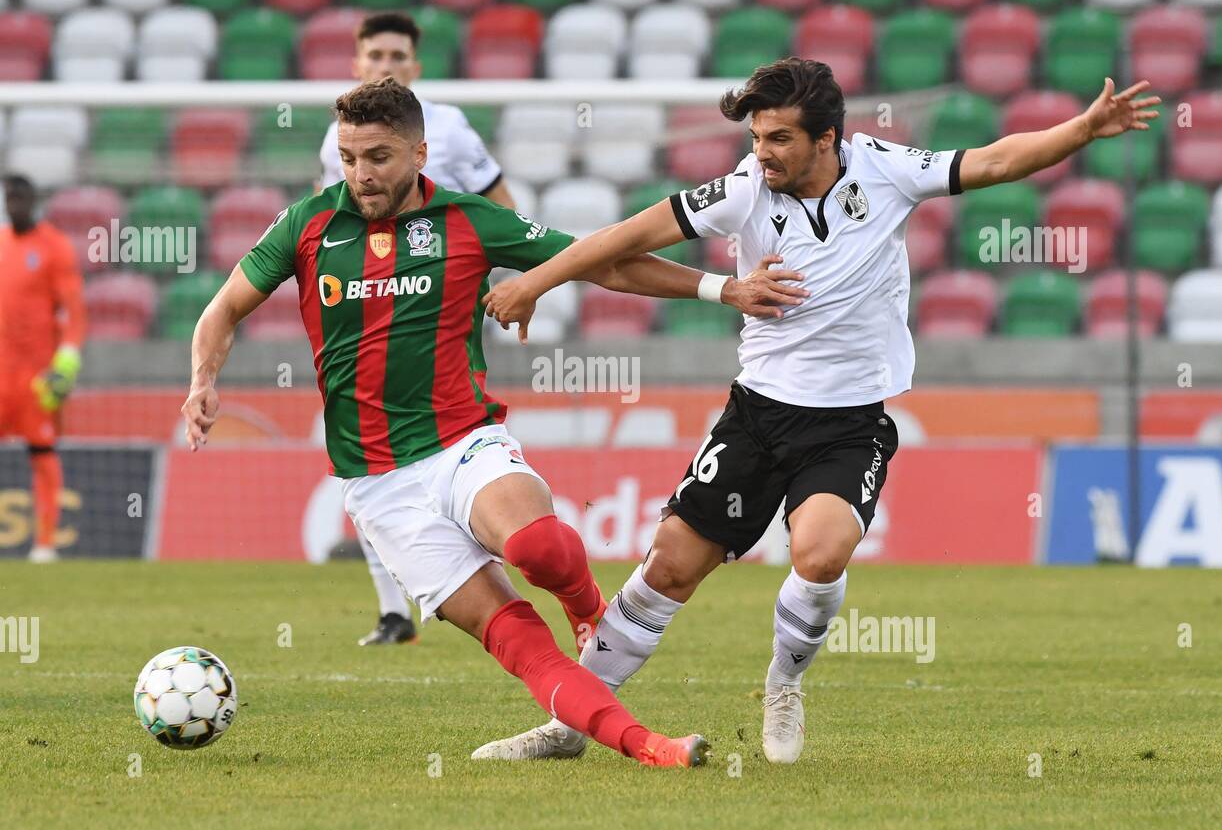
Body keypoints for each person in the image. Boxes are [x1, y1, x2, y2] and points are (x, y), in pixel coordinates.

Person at [478, 59, 1161, 765]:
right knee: (670, 567)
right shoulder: (744, 191)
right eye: (756, 137)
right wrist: (536, 282)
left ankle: (783, 683)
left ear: (827, 138)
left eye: (777, 138)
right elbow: (625, 238)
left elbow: (992, 162)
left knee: (822, 549)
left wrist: (1081, 130)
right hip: (757, 415)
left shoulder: (888, 170)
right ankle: (570, 725)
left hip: (848, 422)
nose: (761, 152)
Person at [180, 78, 801, 767]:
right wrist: (204, 379)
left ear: (419, 152)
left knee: (539, 548)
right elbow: (223, 310)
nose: (362, 174)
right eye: (351, 157)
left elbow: (603, 263)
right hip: (378, 487)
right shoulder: (307, 225)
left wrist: (721, 287)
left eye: (379, 157)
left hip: (463, 443)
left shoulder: (468, 222)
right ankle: (648, 745)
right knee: (517, 644)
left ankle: (587, 604)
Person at [318, 11, 515, 647]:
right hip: (367, 315)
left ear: (416, 67)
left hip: (443, 315)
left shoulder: (449, 126)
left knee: (455, 439)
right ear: (356, 64)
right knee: (369, 458)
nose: (386, 65)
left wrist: (523, 278)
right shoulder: (335, 140)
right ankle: (393, 610)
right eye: (375, 54)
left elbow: (502, 205)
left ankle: (487, 550)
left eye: (398, 56)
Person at [0, 175, 86, 562]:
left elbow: (74, 313)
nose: (14, 206)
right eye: (9, 199)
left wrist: (68, 356)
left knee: (41, 450)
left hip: (36, 369)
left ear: (33, 201)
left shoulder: (54, 248)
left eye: (20, 198)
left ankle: (44, 545)